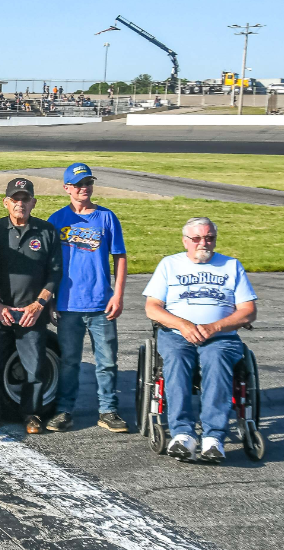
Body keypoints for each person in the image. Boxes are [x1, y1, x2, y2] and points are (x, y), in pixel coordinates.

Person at [144, 218, 257, 463]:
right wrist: (183, 324)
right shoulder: (169, 265)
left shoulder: (231, 265)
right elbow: (152, 308)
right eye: (196, 239)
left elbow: (248, 311)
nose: (203, 243)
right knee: (175, 359)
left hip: (221, 337)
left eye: (209, 238)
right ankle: (182, 433)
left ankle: (213, 437)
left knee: (216, 360)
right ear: (186, 241)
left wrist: (216, 326)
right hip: (177, 335)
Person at [47, 163, 128, 433]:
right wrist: (49, 301)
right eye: (79, 184)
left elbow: (120, 256)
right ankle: (64, 410)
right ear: (67, 188)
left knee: (106, 361)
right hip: (68, 304)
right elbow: (47, 263)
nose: (85, 188)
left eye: (89, 183)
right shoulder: (57, 220)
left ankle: (108, 410)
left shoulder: (106, 217)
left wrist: (117, 294)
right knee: (69, 361)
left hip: (101, 304)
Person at [0, 179, 62, 433]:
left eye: (25, 199)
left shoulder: (47, 231)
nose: (20, 204)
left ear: (33, 203)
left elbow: (55, 272)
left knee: (34, 368)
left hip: (31, 314)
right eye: (15, 199)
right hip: (1, 312)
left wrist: (39, 304)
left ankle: (31, 415)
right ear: (6, 203)